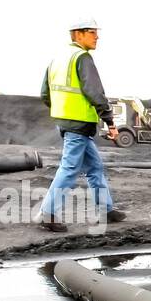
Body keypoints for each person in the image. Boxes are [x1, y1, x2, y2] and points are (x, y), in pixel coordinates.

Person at [36, 17, 126, 231]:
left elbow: (44, 94)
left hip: (68, 123)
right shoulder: (82, 57)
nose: (97, 36)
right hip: (78, 123)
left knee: (94, 167)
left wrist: (62, 111)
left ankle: (106, 210)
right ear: (78, 34)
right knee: (69, 168)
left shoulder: (56, 59)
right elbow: (94, 91)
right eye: (92, 32)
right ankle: (47, 214)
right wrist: (110, 121)